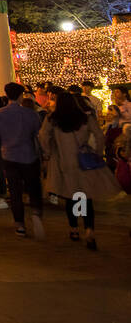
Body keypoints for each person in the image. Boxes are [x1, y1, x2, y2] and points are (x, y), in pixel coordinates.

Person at [41, 89, 120, 250]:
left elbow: (43, 136)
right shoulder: (85, 117)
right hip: (85, 161)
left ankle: (74, 228)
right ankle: (89, 230)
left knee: (71, 196)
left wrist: (48, 153)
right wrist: (97, 152)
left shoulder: (53, 119)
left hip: (64, 162)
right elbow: (99, 135)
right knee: (85, 196)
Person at [0, 82, 45, 239]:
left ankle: (19, 224)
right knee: (33, 186)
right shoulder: (31, 114)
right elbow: (38, 133)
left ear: (6, 95)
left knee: (15, 191)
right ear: (21, 95)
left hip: (9, 155)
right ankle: (36, 212)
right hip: (29, 155)